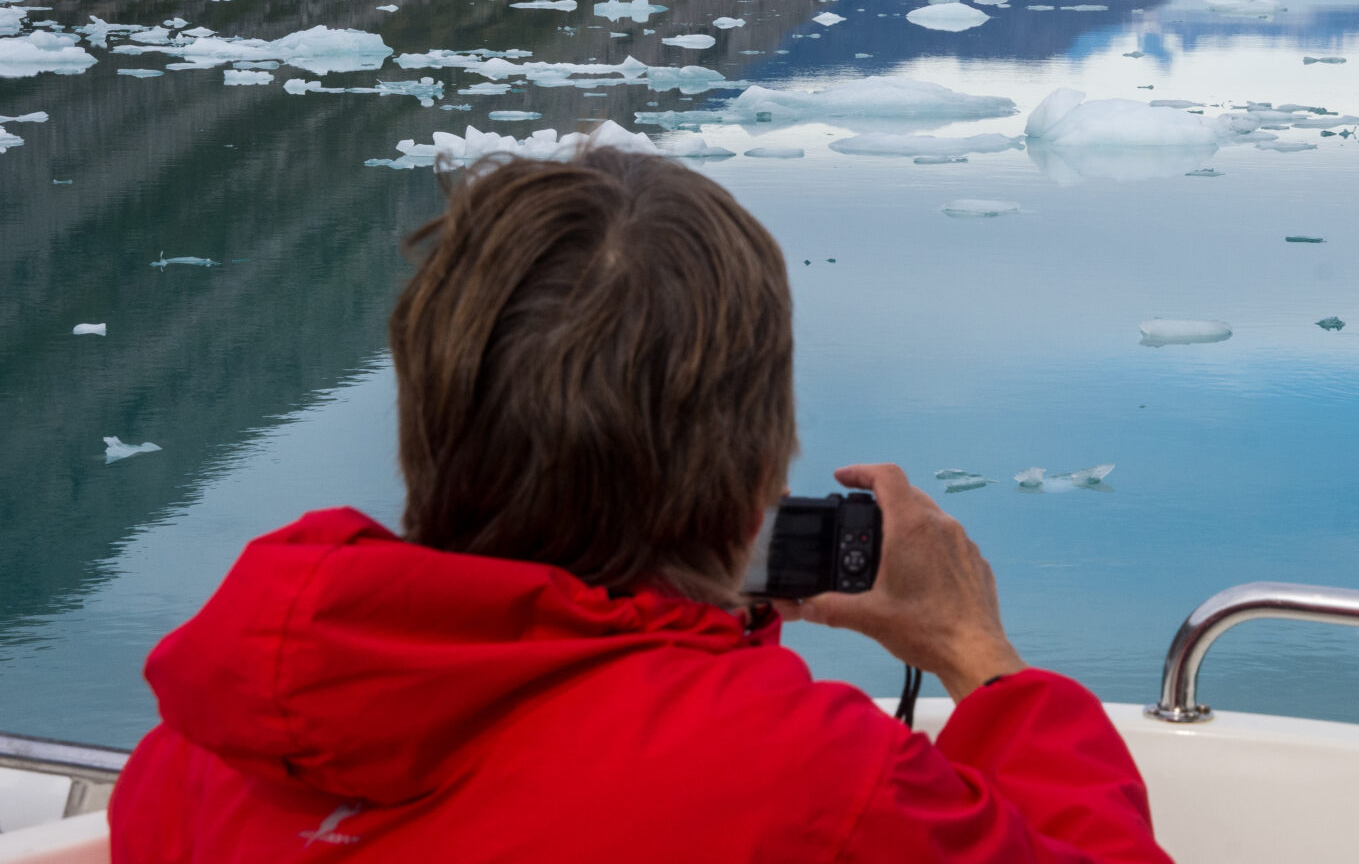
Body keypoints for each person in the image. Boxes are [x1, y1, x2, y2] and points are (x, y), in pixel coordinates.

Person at [109, 147, 1173, 862]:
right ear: (760, 451)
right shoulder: (807, 782)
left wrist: (707, 631)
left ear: (432, 410)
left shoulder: (200, 745)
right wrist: (976, 655)